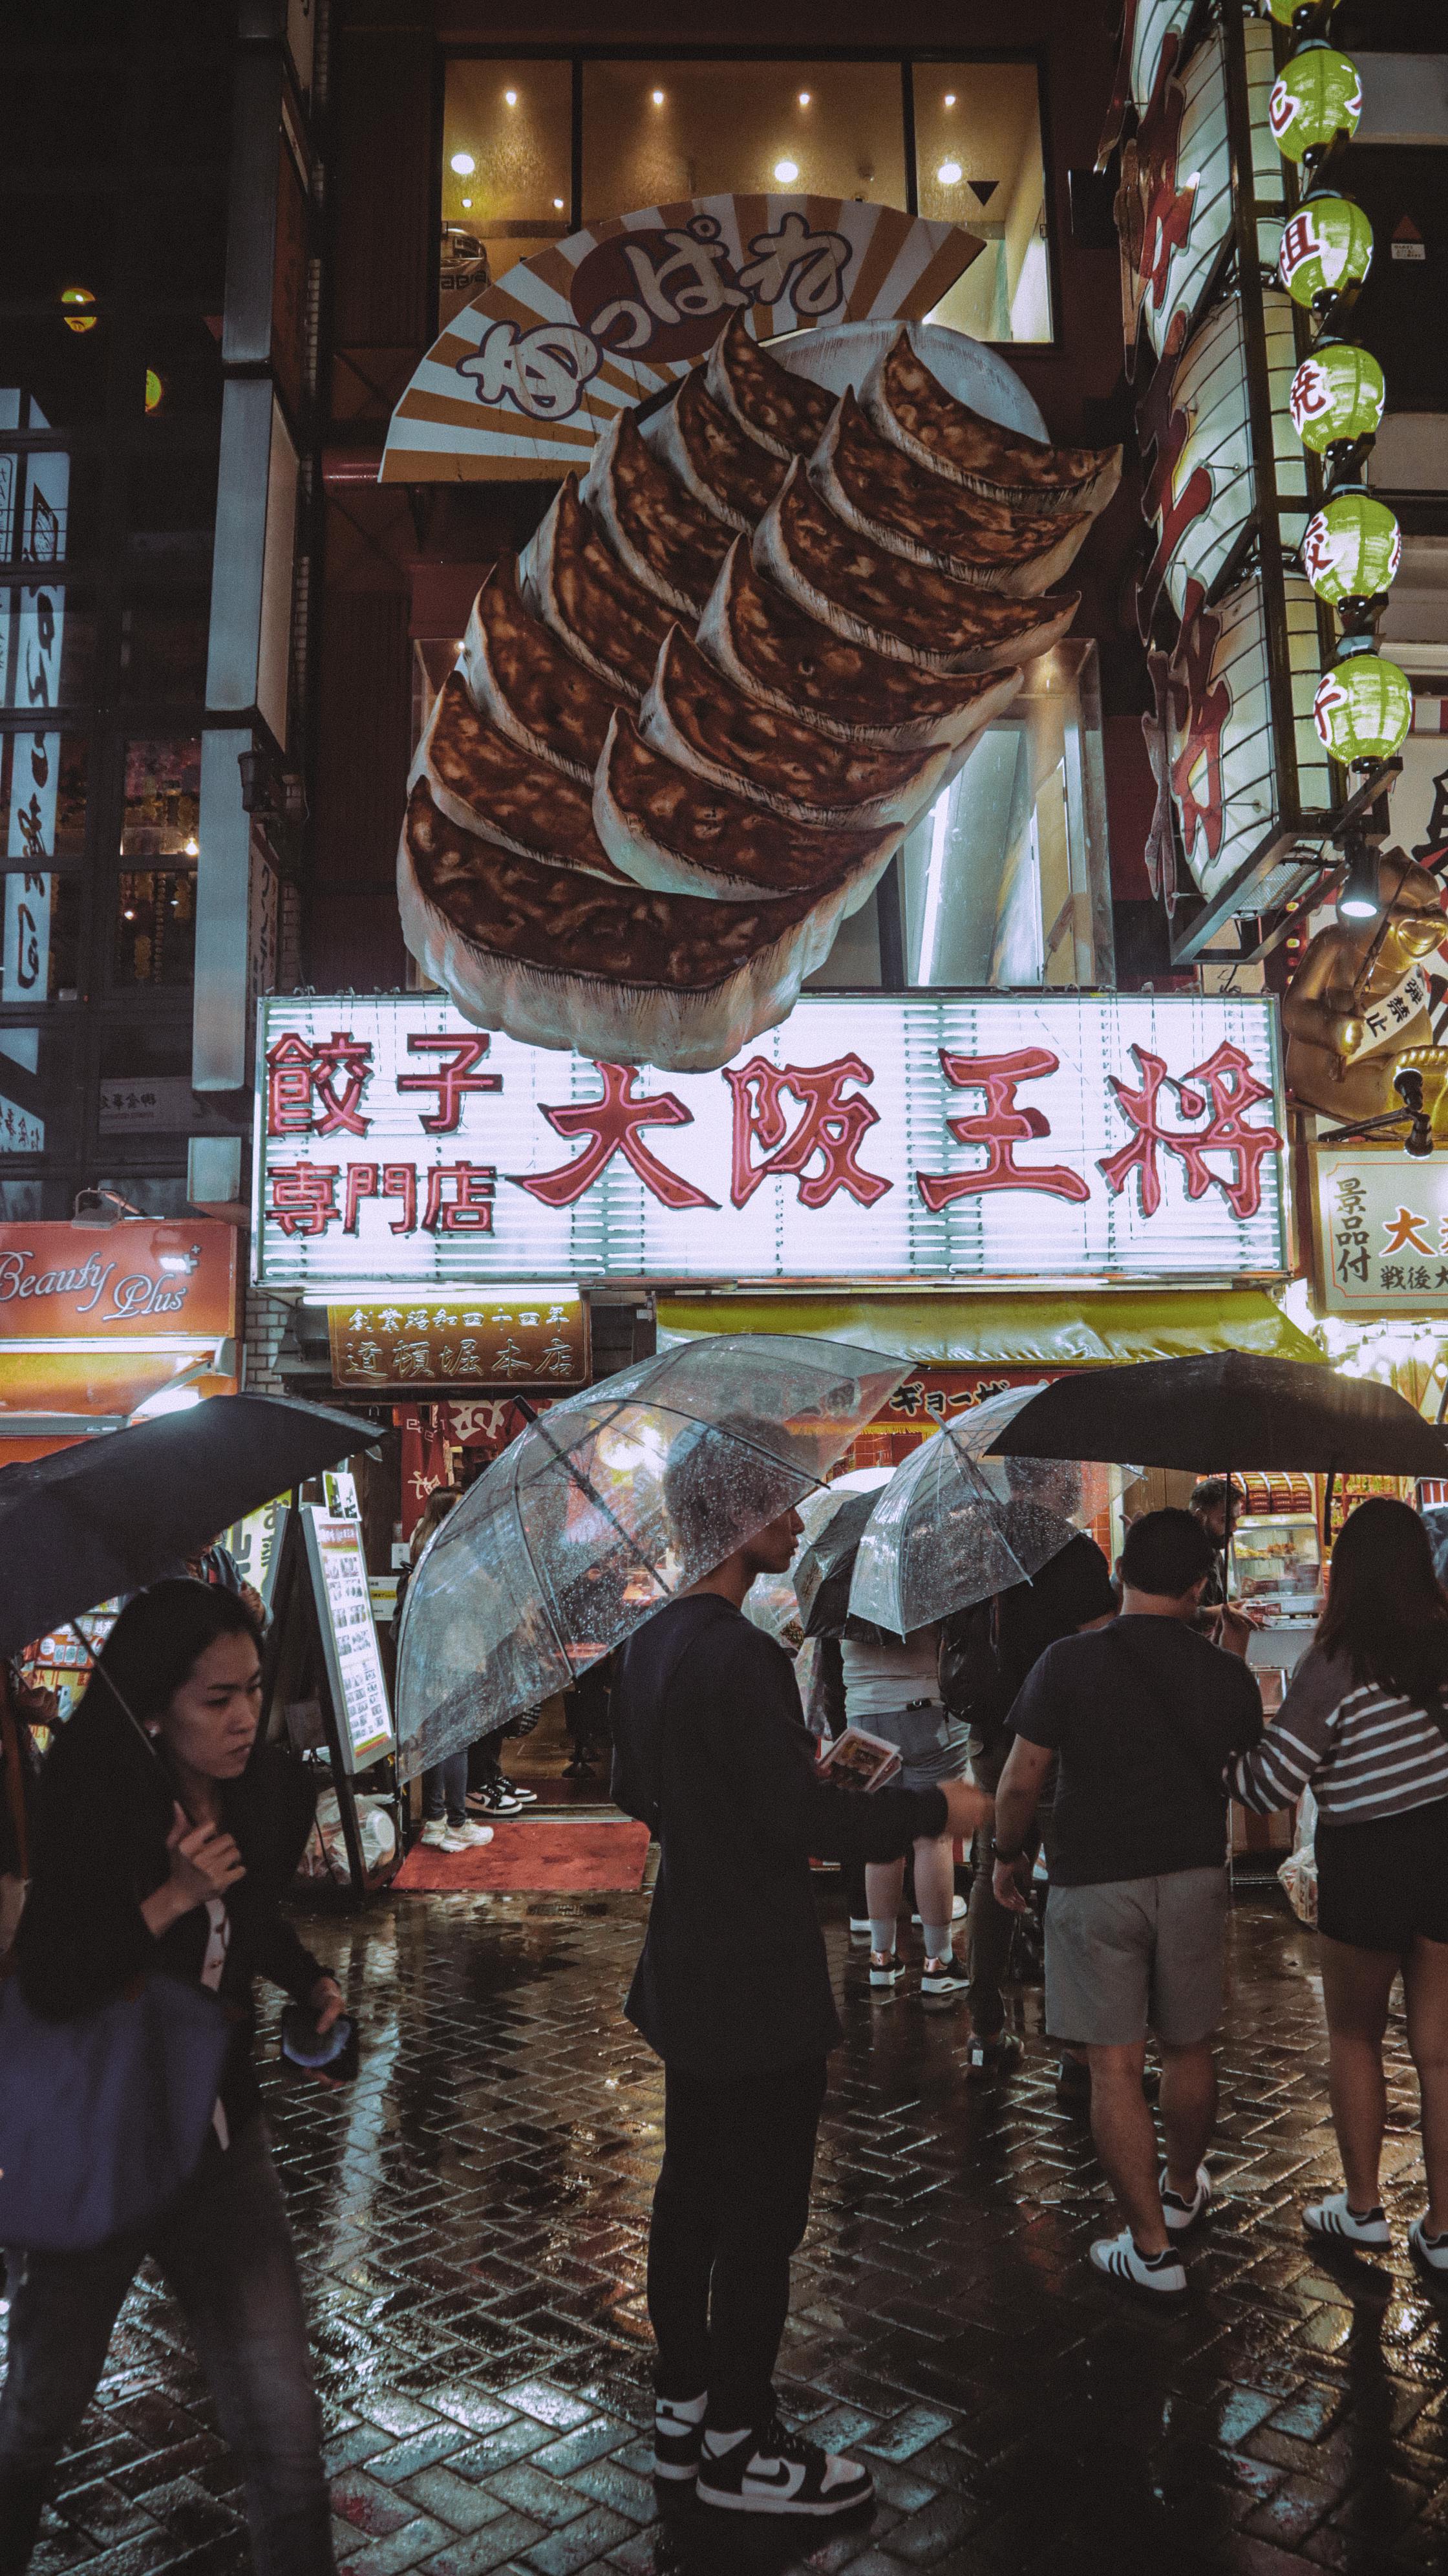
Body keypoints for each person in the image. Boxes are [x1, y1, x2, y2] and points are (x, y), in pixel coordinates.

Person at [612, 1455, 988, 2521]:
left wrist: (780, 1776)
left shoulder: (650, 1642)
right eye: (778, 1500)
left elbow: (639, 1787)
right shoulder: (738, 1652)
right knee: (761, 2214)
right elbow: (803, 1827)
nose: (795, 1517)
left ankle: (682, 2414)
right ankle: (740, 2440)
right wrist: (930, 1808)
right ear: (737, 1520)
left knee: (689, 2196)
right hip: (756, 1972)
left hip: (687, 1955)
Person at [0, 1582, 340, 2575]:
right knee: (36, 2420)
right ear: (153, 1708)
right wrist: (168, 1898)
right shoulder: (95, 1808)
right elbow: (58, 1979)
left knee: (285, 2434)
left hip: (220, 2150)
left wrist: (308, 1978)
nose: (243, 1719)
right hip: (96, 2153)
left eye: (252, 1691)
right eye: (215, 1701)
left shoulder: (253, 1793)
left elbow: (250, 1919)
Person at [991, 1509, 1262, 2295]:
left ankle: (1148, 2250)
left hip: (1090, 1881)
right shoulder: (1222, 1670)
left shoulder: (1066, 1662)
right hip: (1191, 1876)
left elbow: (1018, 1781)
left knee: (1112, 2066)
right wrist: (1229, 1657)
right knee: (1188, 2047)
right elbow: (1240, 1762)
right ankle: (1181, 2193)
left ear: (1120, 1576)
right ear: (1200, 1584)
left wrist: (1009, 1855)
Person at [1233, 1497, 1448, 2275]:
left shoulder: (1336, 1660)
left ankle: (1361, 2210)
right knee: (1440, 2054)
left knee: (1354, 2037)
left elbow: (1267, 1785)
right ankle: (1443, 2228)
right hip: (1443, 1847)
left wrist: (1225, 1752)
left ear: (1346, 1573)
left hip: (1367, 1859)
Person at [940, 1510, 1118, 2080]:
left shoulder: (979, 1547)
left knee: (996, 1870)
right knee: (1073, 1877)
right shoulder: (1073, 1551)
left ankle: (984, 2031)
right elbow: (1101, 1644)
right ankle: (1077, 2051)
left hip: (992, 1734)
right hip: (1061, 1738)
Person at [841, 1618, 972, 2002]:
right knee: (933, 1836)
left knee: (881, 1834)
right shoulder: (925, 1569)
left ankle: (881, 1958)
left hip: (862, 1717)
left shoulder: (843, 1574)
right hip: (925, 1711)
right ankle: (938, 1963)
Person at [398, 1490, 495, 1853]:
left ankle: (435, 1821)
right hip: (457, 1652)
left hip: (429, 1655)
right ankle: (457, 1824)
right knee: (457, 1740)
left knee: (436, 1736)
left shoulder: (422, 1543)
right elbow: (487, 1596)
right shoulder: (457, 1552)